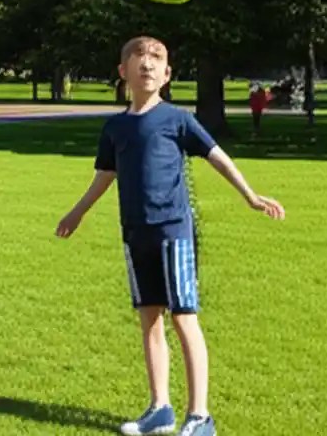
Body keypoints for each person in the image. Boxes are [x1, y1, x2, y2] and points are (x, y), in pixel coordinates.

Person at [56, 36, 285, 436]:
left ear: (167, 75)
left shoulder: (177, 119)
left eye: (156, 59)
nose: (147, 64)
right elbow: (105, 177)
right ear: (122, 71)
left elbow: (217, 156)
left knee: (184, 317)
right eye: (138, 58)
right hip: (135, 234)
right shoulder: (116, 127)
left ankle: (200, 417)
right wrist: (77, 212)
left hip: (173, 232)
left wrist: (249, 195)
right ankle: (160, 408)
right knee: (150, 319)